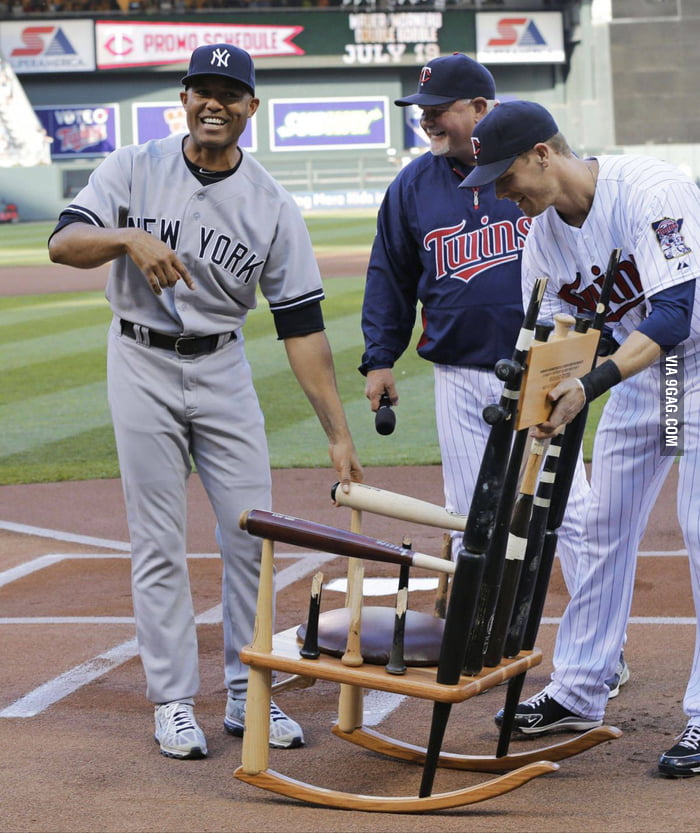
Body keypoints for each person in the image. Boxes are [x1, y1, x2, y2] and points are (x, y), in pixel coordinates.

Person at [48, 43, 363, 760]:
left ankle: (250, 692)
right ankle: (174, 702)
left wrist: (337, 432)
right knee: (157, 539)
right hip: (139, 360)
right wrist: (127, 236)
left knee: (251, 533)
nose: (215, 102)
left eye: (231, 92)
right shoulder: (132, 166)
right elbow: (63, 242)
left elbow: (302, 327)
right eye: (203, 90)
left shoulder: (272, 206)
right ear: (184, 100)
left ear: (252, 107)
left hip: (222, 368)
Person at [357, 54, 630, 693]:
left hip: (544, 369)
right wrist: (379, 357)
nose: (426, 120)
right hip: (457, 371)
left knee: (577, 516)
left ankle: (601, 654)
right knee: (471, 514)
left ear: (481, 110)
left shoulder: (533, 171)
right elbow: (390, 275)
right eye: (420, 110)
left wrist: (588, 355)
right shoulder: (412, 187)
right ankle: (480, 639)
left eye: (439, 109)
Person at [462, 99, 700, 777]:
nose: (502, 196)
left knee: (699, 525)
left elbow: (677, 316)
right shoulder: (542, 241)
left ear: (544, 152)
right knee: (598, 525)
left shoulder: (650, 192)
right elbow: (557, 345)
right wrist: (538, 406)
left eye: (506, 178)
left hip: (695, 363)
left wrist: (587, 387)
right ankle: (580, 688)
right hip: (637, 373)